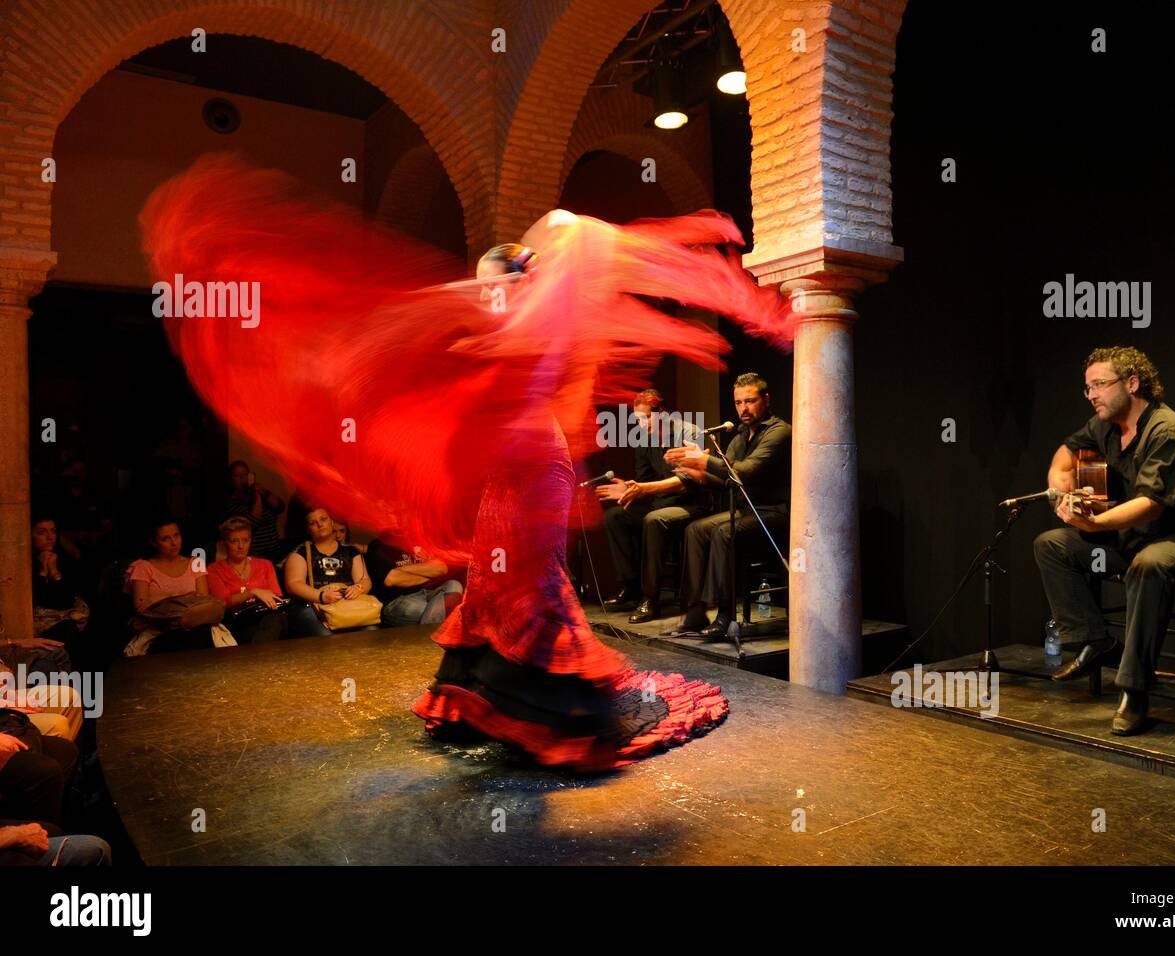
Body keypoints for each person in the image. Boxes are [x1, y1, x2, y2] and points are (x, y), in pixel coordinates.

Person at [139, 156, 798, 769]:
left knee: (525, 587)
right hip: (514, 471)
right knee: (495, 581)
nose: (486, 295)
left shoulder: (537, 317)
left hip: (535, 467)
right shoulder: (499, 324)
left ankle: (555, 717)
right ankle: (488, 704)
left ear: (518, 282)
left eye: (495, 286)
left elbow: (564, 238)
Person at [1034, 347, 1175, 735]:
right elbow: (1064, 454)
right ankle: (1095, 640)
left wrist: (1096, 522)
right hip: (1132, 539)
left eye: (1099, 385)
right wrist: (1061, 485)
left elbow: (1150, 506)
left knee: (1150, 564)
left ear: (1132, 383)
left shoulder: (1168, 430)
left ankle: (1134, 691)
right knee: (1052, 544)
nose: (1091, 395)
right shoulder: (1103, 425)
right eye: (1087, 388)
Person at [668, 373, 792, 639]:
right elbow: (725, 480)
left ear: (766, 399)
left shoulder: (779, 431)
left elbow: (745, 472)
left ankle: (724, 616)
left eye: (750, 401)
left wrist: (704, 462)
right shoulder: (739, 437)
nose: (743, 408)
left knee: (723, 532)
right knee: (695, 530)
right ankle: (695, 610)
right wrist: (698, 472)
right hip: (747, 512)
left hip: (774, 513)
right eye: (738, 403)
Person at [597, 390, 713, 623]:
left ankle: (650, 598)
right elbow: (645, 478)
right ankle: (631, 587)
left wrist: (644, 489)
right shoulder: (643, 439)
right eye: (637, 420)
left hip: (691, 503)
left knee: (654, 520)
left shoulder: (689, 432)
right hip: (659, 502)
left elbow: (685, 482)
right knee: (616, 516)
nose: (641, 425)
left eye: (646, 418)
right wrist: (631, 489)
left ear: (662, 413)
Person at [125, 518, 226, 654]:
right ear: (154, 543)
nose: (174, 543)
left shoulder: (194, 563)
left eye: (176, 536)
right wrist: (174, 609)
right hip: (161, 628)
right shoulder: (143, 567)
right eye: (166, 539)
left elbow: (203, 599)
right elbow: (141, 607)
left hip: (195, 624)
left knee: (203, 627)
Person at [282, 507, 375, 636]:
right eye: (313, 523)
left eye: (323, 519)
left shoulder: (351, 551)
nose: (320, 524)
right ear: (308, 530)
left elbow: (364, 580)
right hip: (314, 605)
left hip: (347, 603)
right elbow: (293, 584)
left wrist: (359, 588)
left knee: (371, 631)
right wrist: (320, 596)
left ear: (331, 522)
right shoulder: (300, 553)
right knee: (326, 637)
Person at [28, 513, 93, 670]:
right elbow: (35, 600)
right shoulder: (23, 562)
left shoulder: (61, 559)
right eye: (41, 532)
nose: (50, 537)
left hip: (60, 618)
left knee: (73, 629)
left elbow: (64, 601)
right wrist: (43, 572)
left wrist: (55, 573)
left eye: (53, 531)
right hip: (34, 622)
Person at [208, 517, 288, 644]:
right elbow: (222, 602)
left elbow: (276, 596)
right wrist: (253, 592)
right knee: (255, 630)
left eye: (245, 540)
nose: (241, 546)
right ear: (224, 543)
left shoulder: (265, 564)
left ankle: (257, 658)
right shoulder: (214, 569)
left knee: (274, 620)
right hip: (237, 621)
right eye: (234, 541)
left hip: (267, 615)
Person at [366, 534, 463, 627]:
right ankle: (434, 640)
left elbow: (442, 568)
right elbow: (391, 579)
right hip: (397, 601)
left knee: (454, 584)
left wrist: (400, 570)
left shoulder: (417, 541)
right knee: (440, 612)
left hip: (427, 593)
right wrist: (429, 572)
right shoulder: (379, 545)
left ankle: (431, 638)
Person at [224, 461, 285, 560]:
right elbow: (254, 522)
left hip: (275, 552)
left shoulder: (262, 496)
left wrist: (264, 492)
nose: (242, 478)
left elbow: (280, 507)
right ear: (231, 480)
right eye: (237, 476)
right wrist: (257, 495)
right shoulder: (232, 504)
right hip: (254, 556)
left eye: (245, 475)